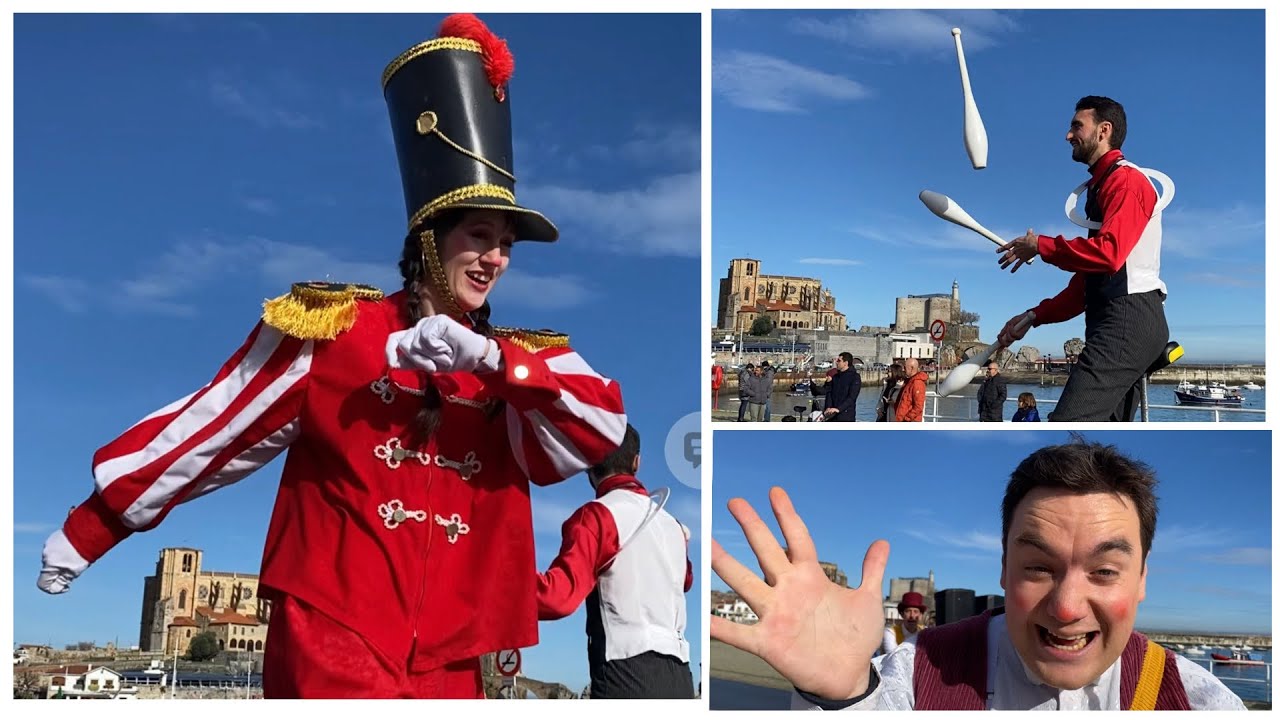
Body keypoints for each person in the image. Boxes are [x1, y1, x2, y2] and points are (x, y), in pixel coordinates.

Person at [36, 15, 627, 699]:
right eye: (479, 234)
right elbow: (217, 428)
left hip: (453, 662)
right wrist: (93, 525)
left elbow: (600, 426)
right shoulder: (335, 330)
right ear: (431, 239)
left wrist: (497, 365)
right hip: (333, 641)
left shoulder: (521, 363)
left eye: (506, 244)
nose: (495, 256)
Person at [709, 439, 1245, 710]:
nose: (1066, 607)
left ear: (1142, 579)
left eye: (1104, 571)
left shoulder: (1194, 700)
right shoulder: (914, 680)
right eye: (1038, 567)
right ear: (1004, 568)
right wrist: (843, 698)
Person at [995, 96, 1169, 422]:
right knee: (1100, 434)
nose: (1068, 135)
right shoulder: (1101, 186)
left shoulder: (1126, 181)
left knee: (1066, 426)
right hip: (1120, 319)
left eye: (1077, 125)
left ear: (1103, 131)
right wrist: (1033, 316)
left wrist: (1042, 246)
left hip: (1128, 321)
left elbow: (1109, 254)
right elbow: (1088, 284)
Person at [535, 424, 695, 699]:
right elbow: (686, 580)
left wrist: (494, 579)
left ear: (588, 466)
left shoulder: (596, 516)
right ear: (637, 462)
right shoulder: (674, 527)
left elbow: (556, 597)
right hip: (680, 675)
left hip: (625, 672)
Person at [822, 352, 861, 422]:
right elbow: (829, 393)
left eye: (839, 361)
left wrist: (839, 409)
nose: (836, 362)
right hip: (831, 416)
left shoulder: (854, 377)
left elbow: (852, 397)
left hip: (846, 416)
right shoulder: (835, 377)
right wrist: (828, 407)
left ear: (846, 363)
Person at [894, 357, 928, 422]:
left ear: (912, 368)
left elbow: (918, 406)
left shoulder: (917, 383)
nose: (903, 369)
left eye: (905, 367)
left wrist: (907, 418)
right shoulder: (909, 382)